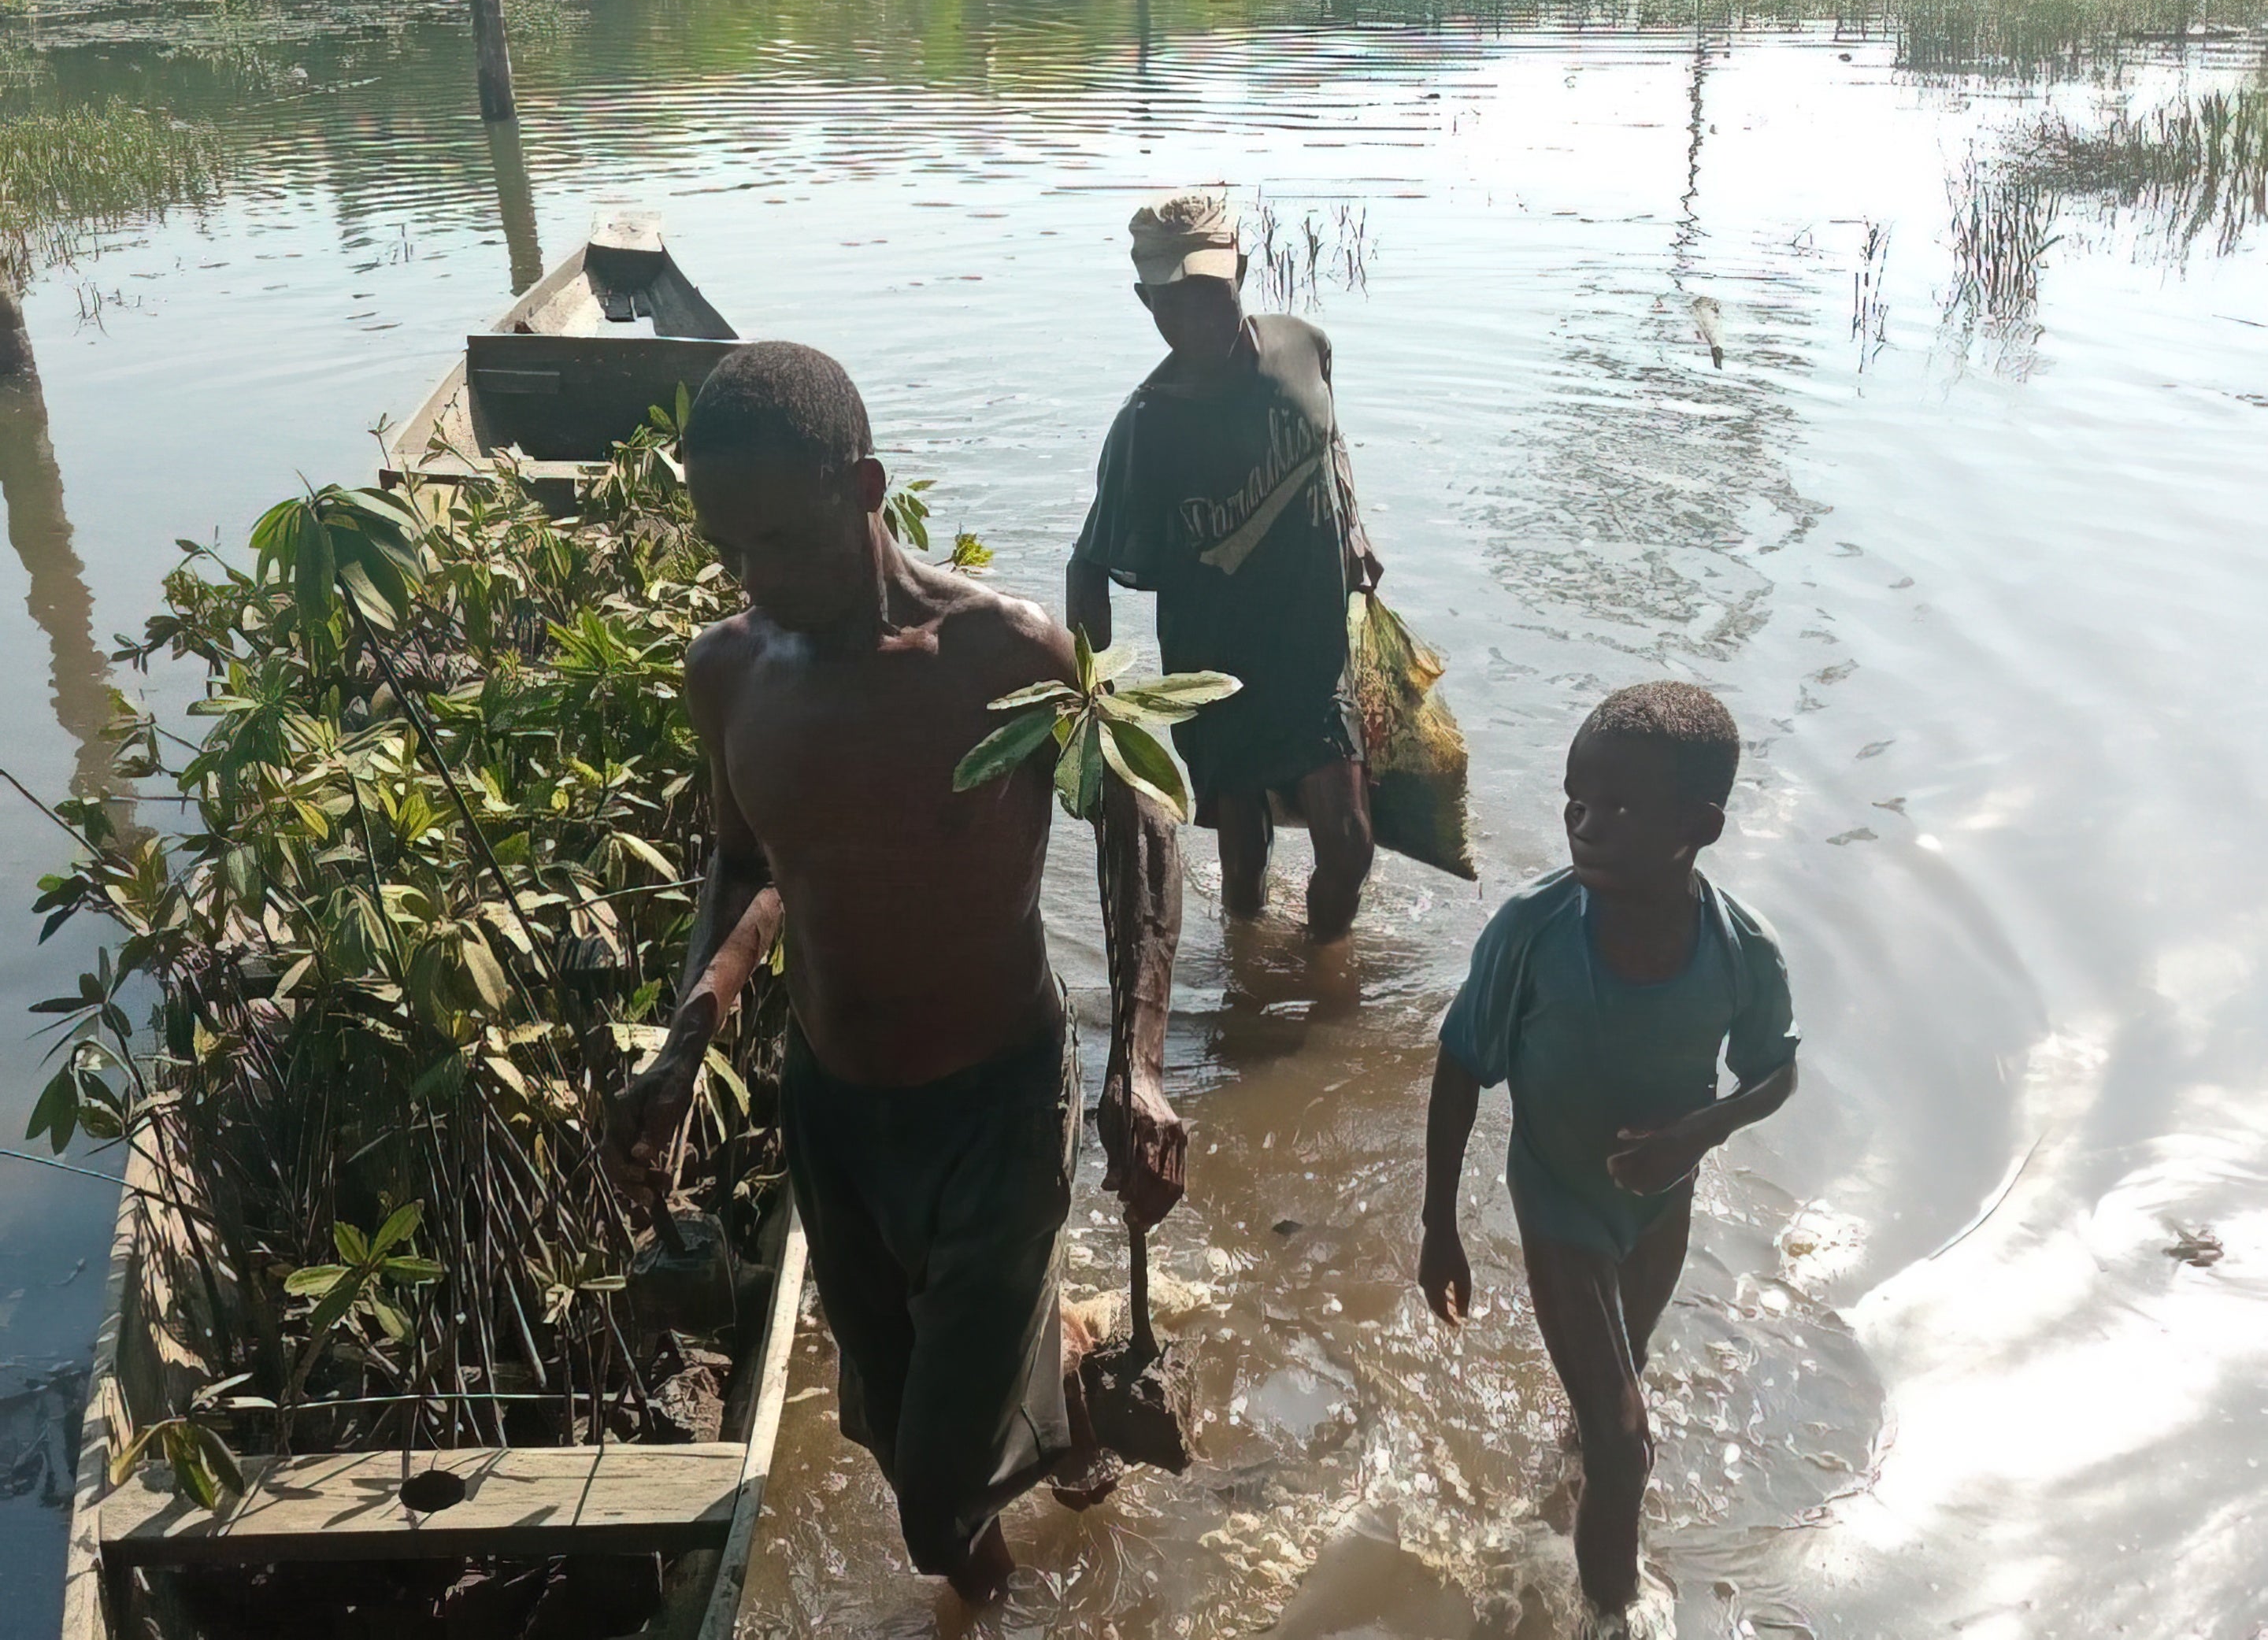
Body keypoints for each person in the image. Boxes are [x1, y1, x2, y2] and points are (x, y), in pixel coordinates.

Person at [606, 341, 1189, 1606]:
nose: (755, 578)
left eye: (781, 540)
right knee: (889, 1420)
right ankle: (1061, 1378)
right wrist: (686, 1040)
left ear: (864, 488)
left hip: (996, 1103)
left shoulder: (1003, 654)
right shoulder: (730, 671)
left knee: (930, 1499)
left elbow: (1140, 827)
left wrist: (1140, 1067)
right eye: (730, 549)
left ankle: (1004, 1599)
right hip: (835, 1110)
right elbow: (747, 864)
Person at [1416, 683, 1800, 1628]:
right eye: (1575, 799)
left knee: (1609, 1403)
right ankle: (1608, 1616)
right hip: (1559, 1203)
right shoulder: (1534, 930)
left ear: (1698, 826)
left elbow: (1776, 1073)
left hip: (1659, 1210)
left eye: (1619, 806)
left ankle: (1576, 1474)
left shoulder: (1741, 951)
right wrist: (1439, 1224)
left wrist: (1701, 1130)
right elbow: (1461, 1065)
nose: (1584, 822)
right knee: (1626, 1445)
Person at [1067, 191, 1384, 947]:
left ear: (1240, 270)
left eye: (1210, 292)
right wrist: (1094, 705)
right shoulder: (1147, 425)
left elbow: (1330, 437)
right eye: (1171, 302)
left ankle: (1322, 971)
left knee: (1349, 845)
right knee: (1244, 868)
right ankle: (1250, 970)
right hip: (1217, 673)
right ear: (1144, 301)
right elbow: (1088, 566)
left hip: (1314, 653)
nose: (1196, 318)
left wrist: (1355, 531)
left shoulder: (1303, 345)